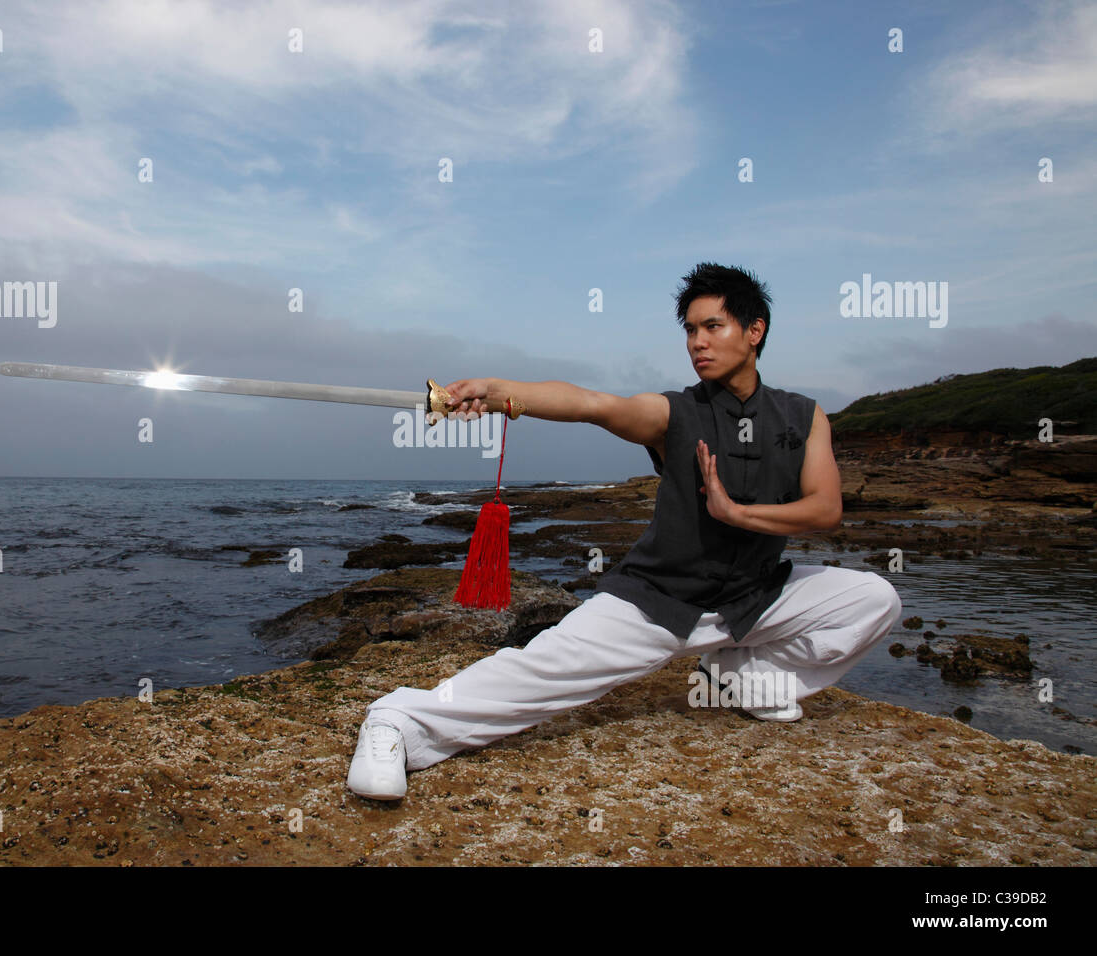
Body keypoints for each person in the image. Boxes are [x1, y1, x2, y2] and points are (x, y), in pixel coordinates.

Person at [346, 263, 902, 800]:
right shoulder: (672, 414)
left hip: (754, 598)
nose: (697, 343)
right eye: (690, 329)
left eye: (713, 326)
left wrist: (739, 515)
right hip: (658, 601)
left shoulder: (803, 416)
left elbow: (826, 510)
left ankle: (746, 681)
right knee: (539, 672)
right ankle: (396, 720)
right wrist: (494, 391)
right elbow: (593, 405)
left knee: (872, 599)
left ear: (754, 331)